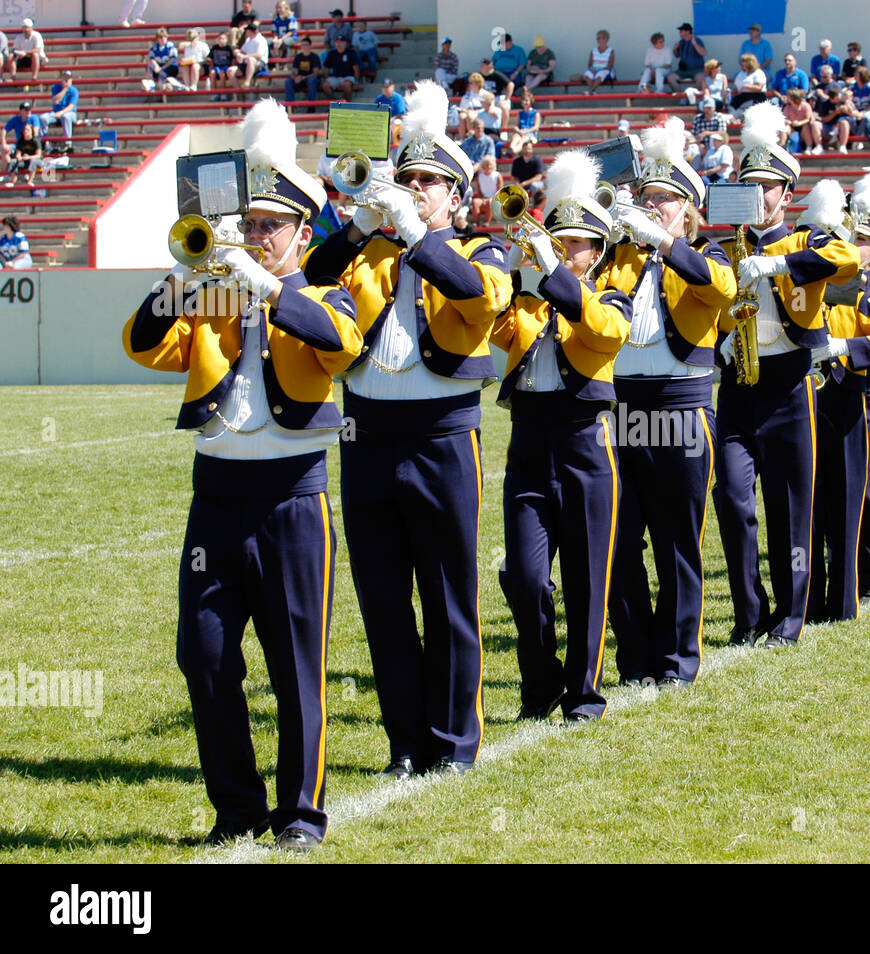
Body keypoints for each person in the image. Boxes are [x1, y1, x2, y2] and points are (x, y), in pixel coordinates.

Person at [124, 99, 362, 851]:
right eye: (250, 225)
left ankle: (300, 812)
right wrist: (183, 272)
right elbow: (141, 342)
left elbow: (337, 341)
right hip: (217, 497)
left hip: (294, 499)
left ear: (301, 234)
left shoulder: (324, 290)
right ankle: (235, 805)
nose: (257, 236)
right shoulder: (209, 294)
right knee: (204, 653)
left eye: (271, 226)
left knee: (296, 666)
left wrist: (264, 283)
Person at [302, 79, 510, 777]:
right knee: (384, 598)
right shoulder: (366, 250)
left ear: (455, 195)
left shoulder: (481, 250)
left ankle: (454, 742)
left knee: (449, 591)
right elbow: (311, 272)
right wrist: (362, 221)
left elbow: (473, 296)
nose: (416, 188)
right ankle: (405, 741)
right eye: (409, 177)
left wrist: (416, 231)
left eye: (429, 182)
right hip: (365, 435)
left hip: (443, 435)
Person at [491, 148, 632, 721]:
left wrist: (553, 276)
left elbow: (599, 330)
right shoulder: (528, 294)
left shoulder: (609, 296)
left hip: (585, 441)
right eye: (558, 240)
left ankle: (584, 692)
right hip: (528, 438)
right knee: (524, 576)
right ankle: (541, 680)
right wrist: (516, 273)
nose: (563, 250)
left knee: (587, 573)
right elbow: (491, 323)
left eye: (575, 244)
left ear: (596, 254)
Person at [713, 103, 859, 647]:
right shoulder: (727, 245)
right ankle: (749, 610)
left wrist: (776, 264)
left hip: (790, 386)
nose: (757, 192)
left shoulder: (804, 240)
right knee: (731, 495)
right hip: (738, 383)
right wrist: (720, 337)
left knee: (789, 505)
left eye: (766, 184)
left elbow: (848, 260)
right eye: (748, 182)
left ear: (786, 192)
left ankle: (791, 614)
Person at [598, 117, 735, 687]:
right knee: (622, 538)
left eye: (665, 199)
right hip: (625, 404)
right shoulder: (618, 254)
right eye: (647, 197)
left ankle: (679, 658)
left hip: (682, 404)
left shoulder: (708, 252)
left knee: (678, 535)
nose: (652, 206)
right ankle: (635, 656)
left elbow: (721, 288)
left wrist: (663, 242)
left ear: (690, 208)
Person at [807, 172, 870, 618]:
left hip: (865, 398)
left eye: (863, 239)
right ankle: (828, 577)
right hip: (820, 396)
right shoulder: (822, 286)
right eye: (848, 233)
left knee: (863, 492)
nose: (852, 242)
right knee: (822, 491)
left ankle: (869, 573)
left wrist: (847, 347)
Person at [847, 67, 870, 152]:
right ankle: (857, 138)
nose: (854, 75)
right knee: (850, 119)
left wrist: (863, 112)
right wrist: (855, 111)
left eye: (856, 74)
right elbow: (849, 100)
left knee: (865, 118)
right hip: (856, 109)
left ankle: (857, 140)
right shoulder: (852, 86)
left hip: (869, 109)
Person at [41, 70, 78, 144]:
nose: (66, 80)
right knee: (43, 117)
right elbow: (55, 101)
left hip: (69, 113)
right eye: (65, 78)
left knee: (66, 117)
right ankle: (44, 142)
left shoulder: (74, 90)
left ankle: (67, 143)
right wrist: (64, 89)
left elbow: (71, 107)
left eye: (68, 78)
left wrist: (61, 113)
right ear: (61, 78)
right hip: (56, 113)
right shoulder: (56, 87)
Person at [574, 30, 615, 95]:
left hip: (605, 70)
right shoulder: (593, 50)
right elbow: (590, 64)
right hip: (594, 69)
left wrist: (599, 70)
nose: (598, 40)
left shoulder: (611, 51)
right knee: (587, 74)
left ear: (606, 39)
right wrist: (592, 69)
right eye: (597, 38)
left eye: (600, 38)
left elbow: (610, 65)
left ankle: (590, 91)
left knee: (600, 75)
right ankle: (592, 91)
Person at [668, 23, 706, 93]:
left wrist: (695, 44)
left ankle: (694, 96)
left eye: (681, 31)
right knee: (670, 78)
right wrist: (675, 49)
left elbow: (703, 53)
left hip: (697, 70)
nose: (680, 33)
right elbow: (677, 56)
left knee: (701, 77)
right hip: (683, 70)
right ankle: (681, 96)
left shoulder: (697, 40)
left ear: (687, 31)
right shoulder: (681, 42)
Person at [6, 18, 46, 85]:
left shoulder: (37, 35)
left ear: (31, 28)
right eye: (24, 28)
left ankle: (34, 77)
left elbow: (38, 49)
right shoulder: (19, 36)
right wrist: (18, 52)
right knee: (11, 56)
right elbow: (14, 49)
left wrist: (25, 52)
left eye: (27, 28)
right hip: (23, 58)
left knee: (35, 55)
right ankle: (13, 77)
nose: (26, 30)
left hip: (36, 59)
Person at [780, 88, 820, 154]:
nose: (787, 97)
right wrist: (789, 122)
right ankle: (781, 147)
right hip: (792, 127)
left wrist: (799, 123)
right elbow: (785, 118)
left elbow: (808, 119)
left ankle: (808, 147)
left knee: (806, 127)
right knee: (785, 128)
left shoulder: (805, 105)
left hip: (803, 126)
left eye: (788, 96)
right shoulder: (787, 107)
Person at [5, 114, 40, 187]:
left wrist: (28, 157)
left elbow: (38, 155)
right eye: (25, 130)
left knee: (33, 161)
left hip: (35, 160)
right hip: (24, 160)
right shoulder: (20, 141)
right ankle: (13, 181)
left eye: (28, 130)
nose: (26, 131)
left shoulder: (35, 141)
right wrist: (19, 157)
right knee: (13, 161)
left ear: (31, 131)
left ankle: (30, 181)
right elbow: (18, 153)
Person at [283, 36, 321, 104]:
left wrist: (303, 77)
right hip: (300, 80)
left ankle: (311, 105)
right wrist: (295, 78)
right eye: (302, 45)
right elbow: (293, 71)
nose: (304, 46)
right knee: (288, 81)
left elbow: (315, 74)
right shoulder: (298, 57)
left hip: (311, 80)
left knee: (311, 80)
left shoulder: (315, 57)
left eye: (306, 45)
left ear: (310, 46)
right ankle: (290, 105)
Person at [322, 33, 359, 100]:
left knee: (346, 84)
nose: (339, 44)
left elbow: (356, 68)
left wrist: (356, 81)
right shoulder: (332, 53)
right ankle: (334, 103)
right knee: (325, 85)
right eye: (337, 42)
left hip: (348, 77)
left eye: (341, 42)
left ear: (345, 43)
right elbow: (326, 68)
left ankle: (347, 104)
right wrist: (326, 79)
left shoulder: (351, 53)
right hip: (336, 77)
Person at [142, 26, 178, 92]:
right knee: (149, 66)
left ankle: (163, 88)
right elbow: (152, 58)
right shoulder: (155, 47)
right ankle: (150, 85)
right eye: (160, 37)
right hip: (159, 67)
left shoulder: (170, 46)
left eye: (164, 37)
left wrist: (163, 67)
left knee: (161, 72)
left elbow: (172, 59)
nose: (162, 39)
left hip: (170, 67)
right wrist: (156, 66)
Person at [236, 21, 270, 91]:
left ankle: (247, 82)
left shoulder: (261, 40)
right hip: (247, 63)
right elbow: (243, 50)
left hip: (260, 63)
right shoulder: (248, 40)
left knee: (251, 60)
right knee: (231, 71)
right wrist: (237, 52)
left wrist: (245, 56)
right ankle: (239, 91)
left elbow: (259, 55)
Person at [470, 155, 502, 227]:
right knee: (475, 202)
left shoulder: (497, 175)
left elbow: (500, 191)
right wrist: (482, 198)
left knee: (490, 202)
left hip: (495, 198)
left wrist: (490, 198)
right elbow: (479, 191)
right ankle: (476, 222)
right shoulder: (479, 176)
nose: (488, 167)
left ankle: (487, 222)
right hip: (483, 198)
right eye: (486, 165)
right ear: (483, 166)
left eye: (490, 165)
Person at [178, 27, 210, 92]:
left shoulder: (203, 46)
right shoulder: (187, 47)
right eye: (191, 39)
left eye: (194, 39)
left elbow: (208, 59)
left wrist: (198, 62)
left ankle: (194, 85)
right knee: (185, 67)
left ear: (197, 37)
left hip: (202, 67)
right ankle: (187, 85)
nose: (193, 41)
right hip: (190, 66)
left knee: (195, 66)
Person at [207, 32, 236, 101]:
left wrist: (232, 66)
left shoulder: (229, 48)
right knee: (212, 73)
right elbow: (209, 57)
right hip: (216, 66)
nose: (221, 40)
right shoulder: (215, 47)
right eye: (219, 39)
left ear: (226, 40)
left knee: (221, 74)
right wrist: (210, 63)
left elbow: (233, 58)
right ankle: (215, 93)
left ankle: (223, 92)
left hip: (226, 66)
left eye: (223, 39)